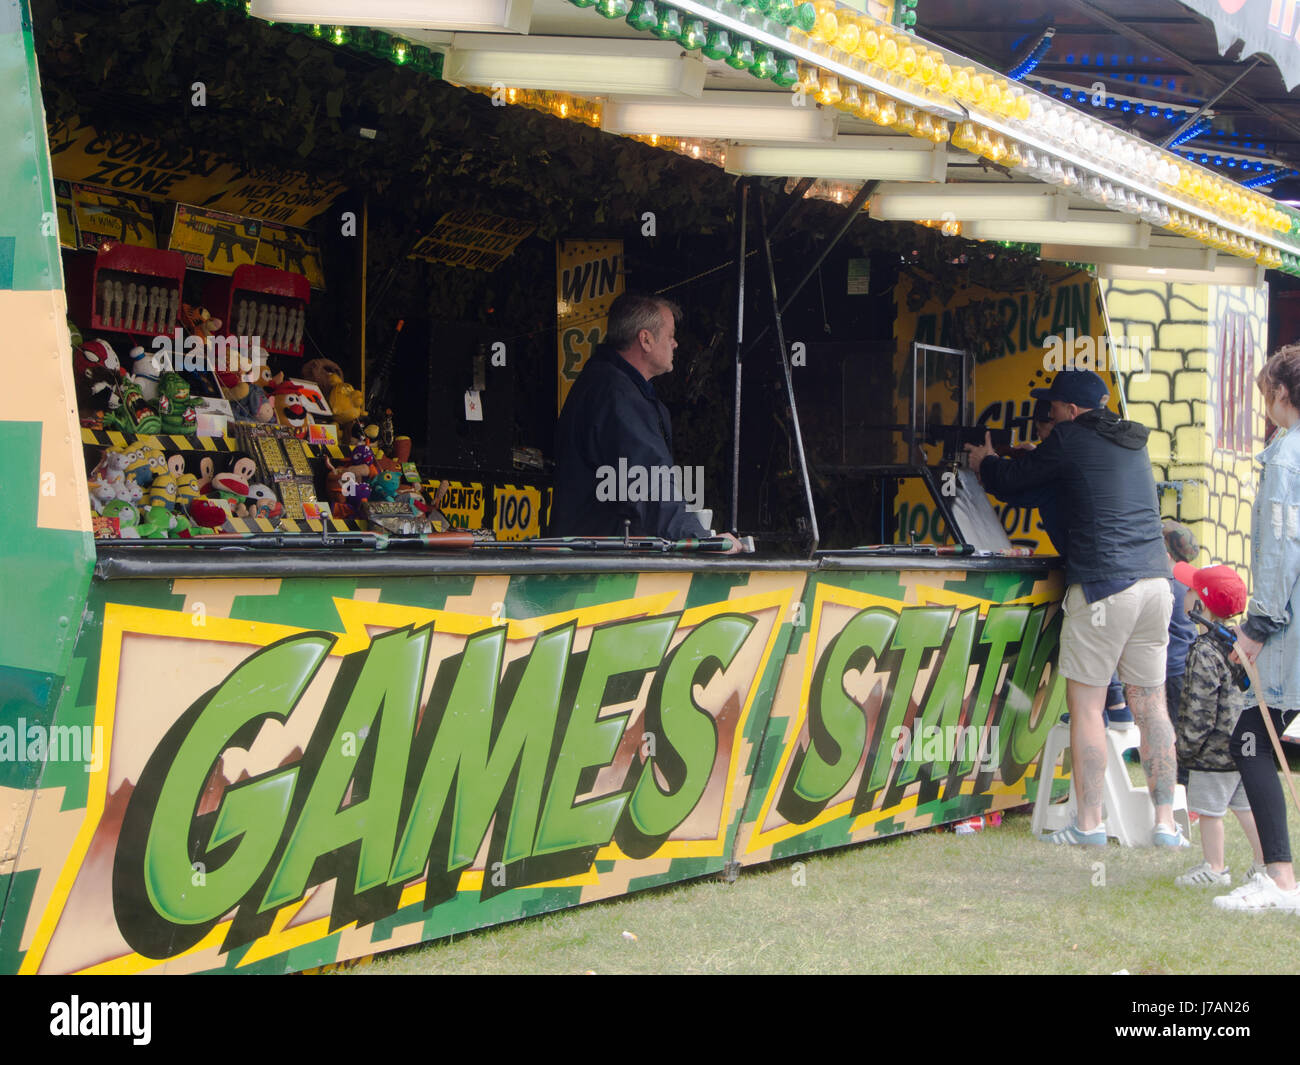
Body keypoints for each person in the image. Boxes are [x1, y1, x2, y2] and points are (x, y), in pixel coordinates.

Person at [966, 369, 1183, 846]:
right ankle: (1165, 824)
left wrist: (985, 461)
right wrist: (1035, 457)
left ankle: (1089, 824)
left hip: (1105, 586)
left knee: (1086, 707)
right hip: (1156, 583)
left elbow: (1012, 482)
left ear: (1070, 410)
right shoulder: (1131, 441)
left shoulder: (1066, 437)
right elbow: (1074, 479)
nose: (1049, 417)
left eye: (1052, 408)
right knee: (1151, 707)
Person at [550, 292, 740, 552]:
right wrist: (700, 540)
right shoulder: (616, 395)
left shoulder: (610, 385)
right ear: (646, 339)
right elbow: (649, 482)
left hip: (593, 558)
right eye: (671, 335)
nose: (675, 344)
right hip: (597, 568)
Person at [1214, 344, 1300, 911]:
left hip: (1286, 627)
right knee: (1257, 736)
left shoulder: (1284, 459)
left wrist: (1258, 625)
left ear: (1280, 394)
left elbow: (1280, 551)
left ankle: (1279, 879)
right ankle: (1277, 874)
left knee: (1250, 737)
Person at [1169, 562, 1264, 887]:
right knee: (1245, 807)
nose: (1184, 592)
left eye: (1190, 589)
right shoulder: (1241, 644)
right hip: (1240, 746)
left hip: (1212, 752)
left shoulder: (1203, 651)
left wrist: (1187, 746)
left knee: (1211, 812)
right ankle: (1265, 862)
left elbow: (1200, 706)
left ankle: (1215, 867)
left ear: (1201, 604)